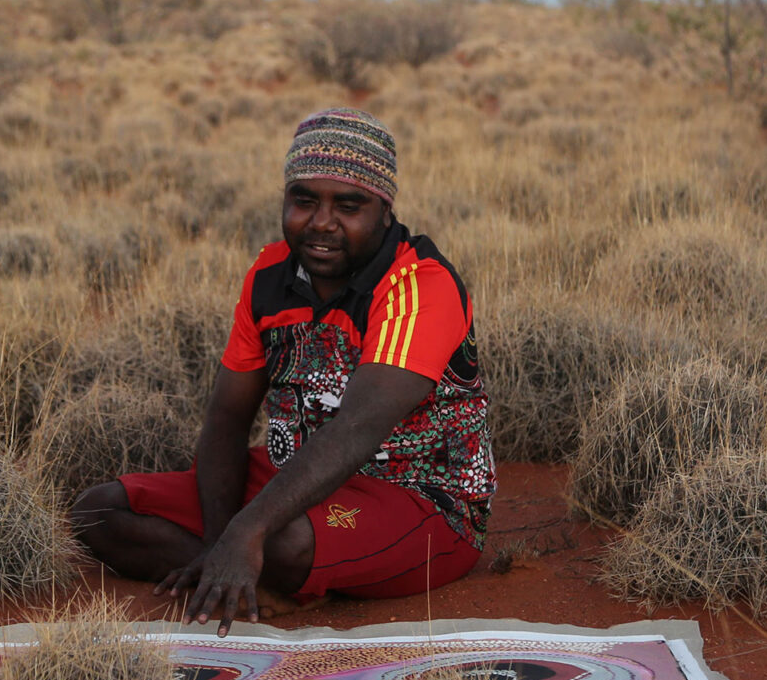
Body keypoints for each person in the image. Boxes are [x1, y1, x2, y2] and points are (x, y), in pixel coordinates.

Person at [71, 108, 493, 634]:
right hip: (296, 475)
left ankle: (258, 566)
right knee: (98, 511)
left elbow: (358, 429)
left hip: (418, 499)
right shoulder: (269, 275)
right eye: (304, 200)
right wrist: (223, 543)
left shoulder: (419, 286)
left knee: (282, 540)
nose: (321, 222)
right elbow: (227, 419)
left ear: (385, 210)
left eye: (349, 205)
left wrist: (246, 532)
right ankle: (246, 579)